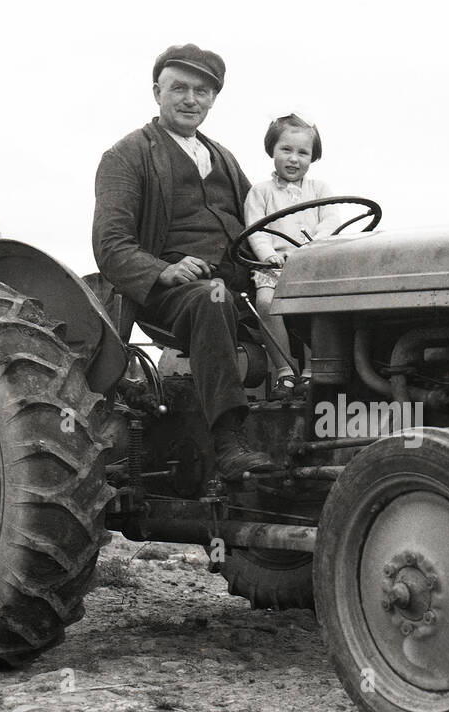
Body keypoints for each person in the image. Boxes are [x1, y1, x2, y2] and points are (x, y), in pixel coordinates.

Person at [92, 43, 276, 480]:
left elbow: (259, 225)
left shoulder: (225, 159)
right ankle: (227, 443)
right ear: (157, 92)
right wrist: (163, 270)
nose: (190, 99)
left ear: (214, 99)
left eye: (202, 91)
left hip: (239, 285)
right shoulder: (127, 155)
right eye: (179, 88)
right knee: (212, 297)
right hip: (170, 295)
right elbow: (110, 244)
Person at [244, 114, 339, 395]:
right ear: (272, 150)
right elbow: (255, 228)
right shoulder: (260, 192)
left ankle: (313, 369)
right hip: (274, 266)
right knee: (265, 302)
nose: (293, 159)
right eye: (286, 150)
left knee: (320, 304)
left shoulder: (319, 189)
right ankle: (284, 369)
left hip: (311, 264)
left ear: (313, 157)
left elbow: (331, 220)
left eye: (302, 152)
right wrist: (267, 254)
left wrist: (314, 246)